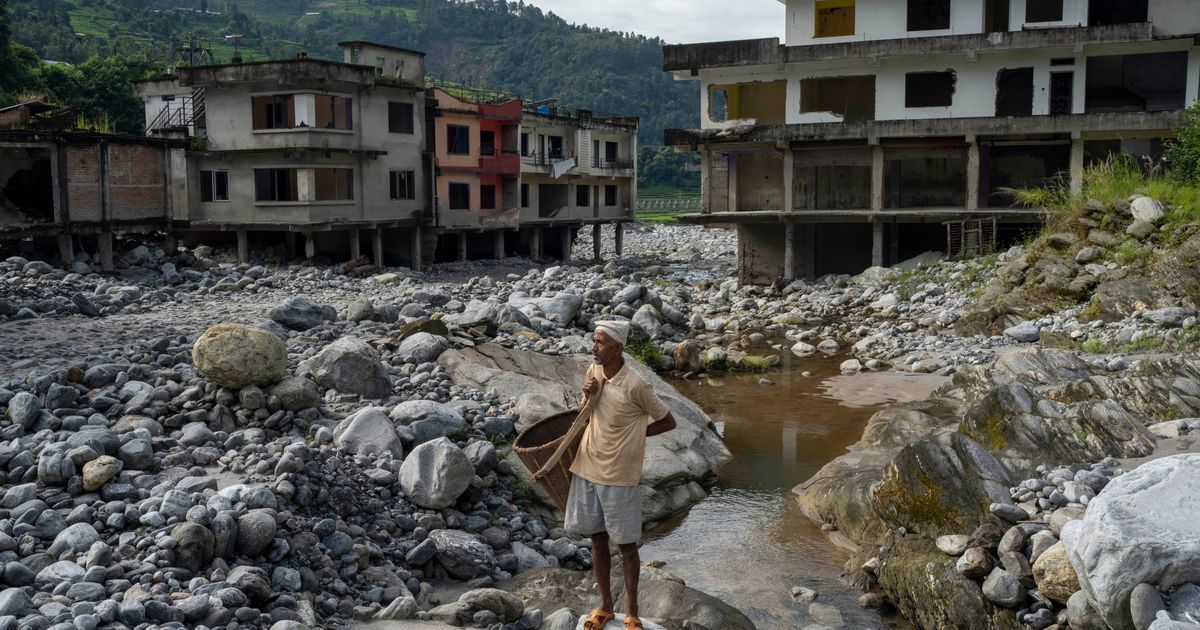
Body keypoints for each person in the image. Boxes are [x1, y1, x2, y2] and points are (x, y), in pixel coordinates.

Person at [566, 320, 677, 630]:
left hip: (618, 473)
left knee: (627, 546)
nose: (594, 347)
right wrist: (587, 395)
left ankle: (632, 612)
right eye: (594, 341)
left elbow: (668, 421)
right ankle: (604, 606)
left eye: (600, 342)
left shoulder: (636, 384)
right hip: (587, 466)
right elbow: (583, 415)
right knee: (597, 540)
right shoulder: (594, 372)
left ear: (617, 347)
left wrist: (635, 437)